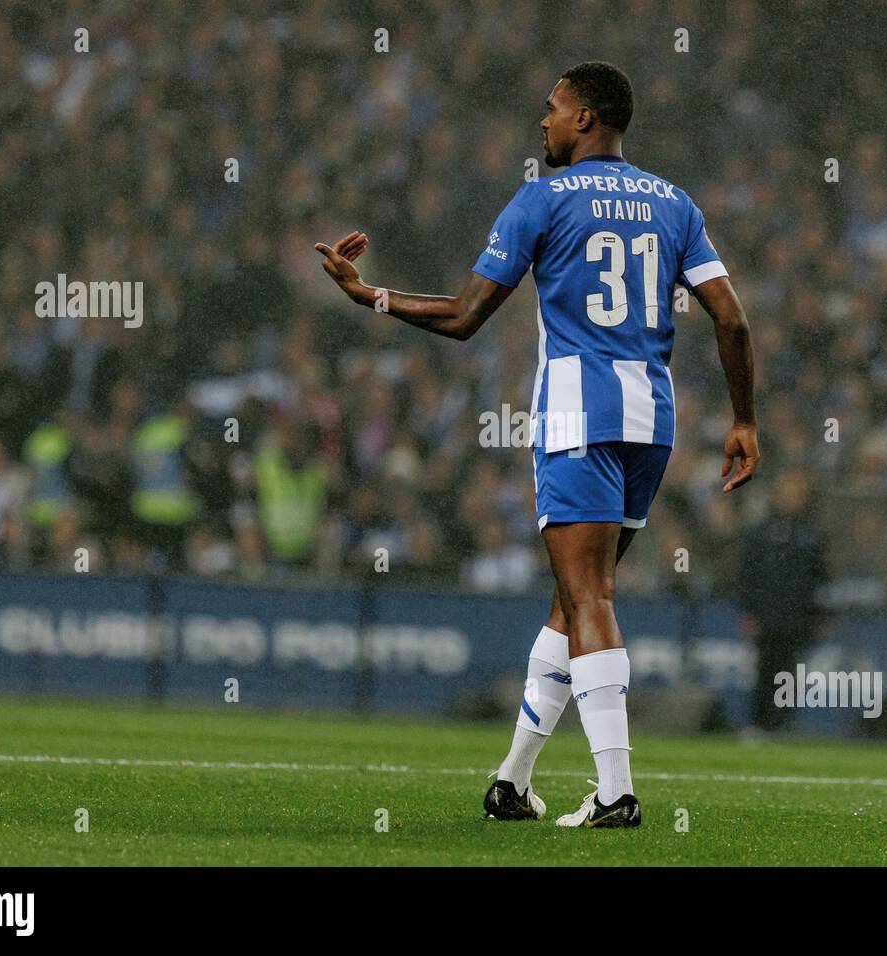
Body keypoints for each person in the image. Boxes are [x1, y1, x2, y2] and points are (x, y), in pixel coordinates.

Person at [314, 62, 758, 827]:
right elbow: (732, 319)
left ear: (585, 118)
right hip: (651, 422)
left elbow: (462, 317)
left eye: (551, 111)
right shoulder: (673, 203)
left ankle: (617, 793)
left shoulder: (544, 198)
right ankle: (511, 783)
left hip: (577, 419)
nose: (542, 123)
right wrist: (745, 420)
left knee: (589, 597)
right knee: (571, 600)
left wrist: (370, 295)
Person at [736, 469, 827, 732]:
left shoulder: (811, 535)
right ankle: (759, 721)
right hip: (767, 614)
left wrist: (820, 615)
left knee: (789, 671)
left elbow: (819, 579)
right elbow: (747, 575)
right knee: (765, 668)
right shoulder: (760, 533)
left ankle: (782, 721)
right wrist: (748, 611)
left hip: (798, 616)